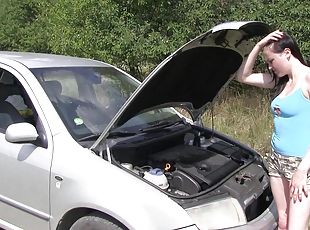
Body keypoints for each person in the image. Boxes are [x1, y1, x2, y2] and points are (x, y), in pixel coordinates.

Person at [235, 30, 310, 230]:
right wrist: (259, 45)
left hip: (301, 166)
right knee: (283, 221)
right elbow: (243, 76)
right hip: (276, 161)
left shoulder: (308, 80)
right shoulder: (281, 81)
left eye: (271, 61)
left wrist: (302, 171)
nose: (269, 66)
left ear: (287, 52)